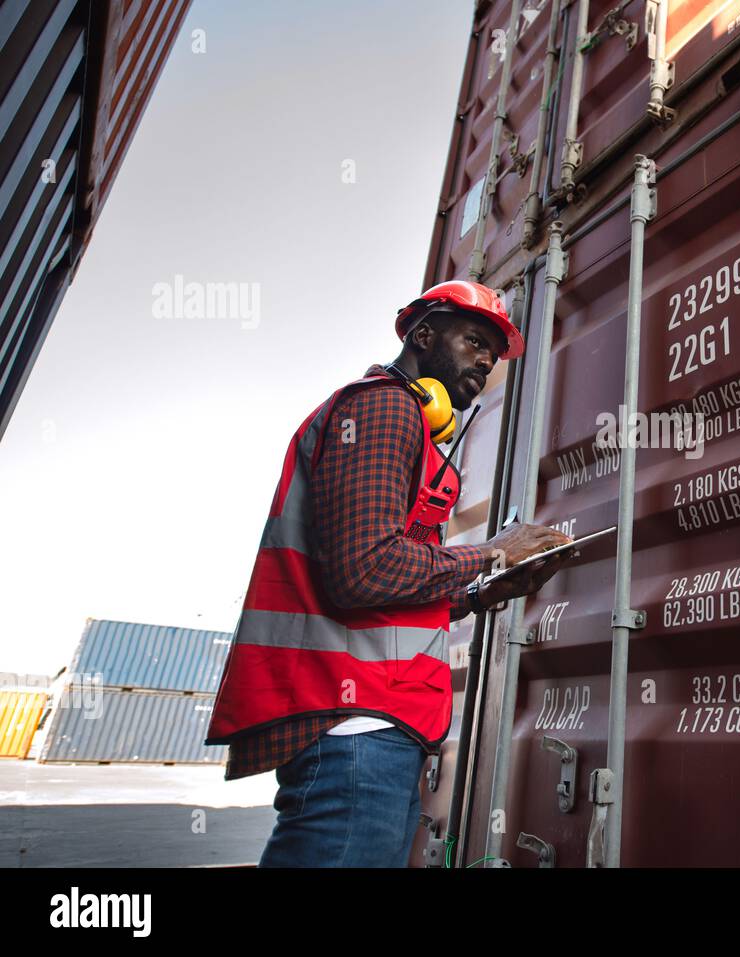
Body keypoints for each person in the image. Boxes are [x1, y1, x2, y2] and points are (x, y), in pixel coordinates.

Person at [205, 279, 572, 866]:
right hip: (353, 729)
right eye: (475, 341)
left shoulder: (407, 424)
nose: (485, 360)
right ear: (423, 335)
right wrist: (494, 552)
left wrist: (479, 596)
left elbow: (385, 592)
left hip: (378, 727)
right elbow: (364, 572)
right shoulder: (381, 408)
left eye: (493, 354)